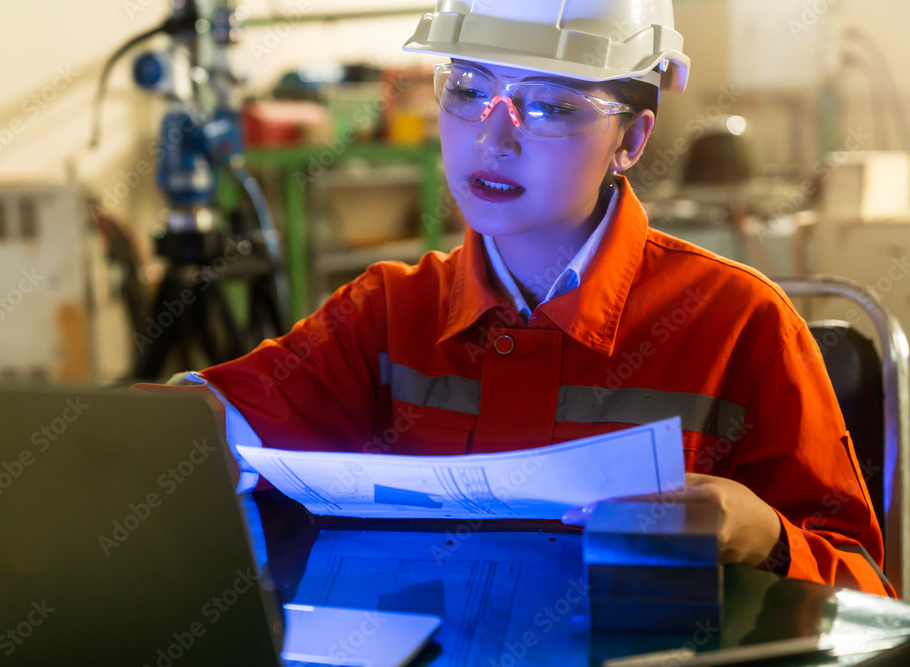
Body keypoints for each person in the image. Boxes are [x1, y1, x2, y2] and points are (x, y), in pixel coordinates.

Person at [157, 1, 893, 597]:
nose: (494, 136)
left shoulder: (741, 326)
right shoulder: (383, 316)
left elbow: (868, 598)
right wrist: (171, 435)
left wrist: (761, 534)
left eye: (549, 106)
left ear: (632, 137)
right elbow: (172, 433)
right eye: (472, 90)